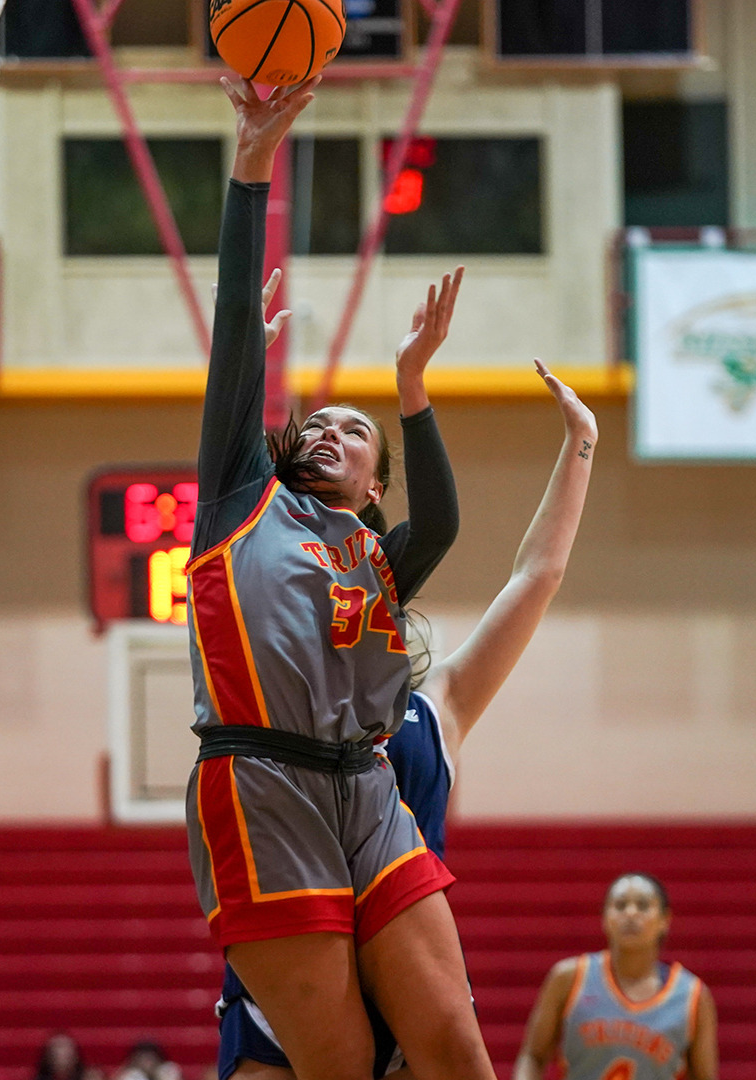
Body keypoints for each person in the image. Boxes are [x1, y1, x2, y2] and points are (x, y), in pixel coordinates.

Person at [185, 74, 488, 1080]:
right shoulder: (241, 499)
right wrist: (252, 166)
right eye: (315, 421)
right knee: (344, 1066)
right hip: (258, 781)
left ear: (375, 480)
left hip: (363, 783)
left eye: (354, 431)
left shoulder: (376, 552)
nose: (327, 429)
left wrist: (412, 391)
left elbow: (442, 519)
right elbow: (235, 331)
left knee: (451, 1048)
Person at [216, 357, 600, 1080]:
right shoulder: (274, 690)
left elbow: (535, 576)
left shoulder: (439, 707)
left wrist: (582, 441)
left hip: (410, 961)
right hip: (291, 958)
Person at [510, 874, 719, 1080]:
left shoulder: (693, 996)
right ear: (604, 917)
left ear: (665, 919)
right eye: (620, 905)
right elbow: (533, 1056)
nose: (630, 913)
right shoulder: (569, 978)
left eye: (643, 906)